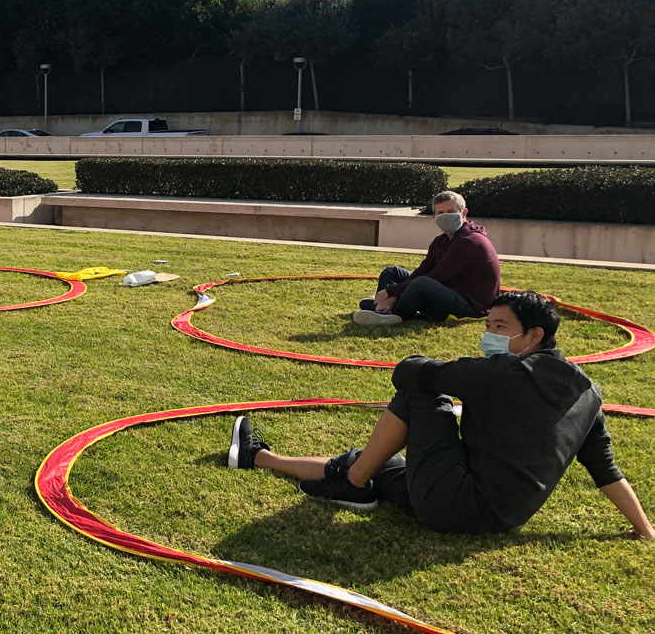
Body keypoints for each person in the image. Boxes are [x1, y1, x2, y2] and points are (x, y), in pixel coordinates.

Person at [227, 291, 653, 540]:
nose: (488, 335)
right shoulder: (587, 393)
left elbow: (409, 372)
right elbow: (606, 471)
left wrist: (456, 372)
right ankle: (260, 458)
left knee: (420, 395)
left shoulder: (505, 373)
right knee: (376, 463)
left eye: (499, 327)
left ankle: (354, 483)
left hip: (457, 500)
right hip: (494, 512)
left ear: (534, 336)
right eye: (488, 325)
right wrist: (645, 530)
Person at [354, 190, 499, 327]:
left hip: (469, 307)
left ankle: (390, 311)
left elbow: (437, 276)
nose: (445, 216)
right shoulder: (440, 241)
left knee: (422, 284)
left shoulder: (469, 241)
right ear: (434, 216)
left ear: (464, 213)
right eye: (440, 213)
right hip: (450, 290)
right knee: (393, 272)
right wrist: (394, 292)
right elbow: (423, 270)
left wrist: (391, 292)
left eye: (450, 212)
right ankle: (382, 306)